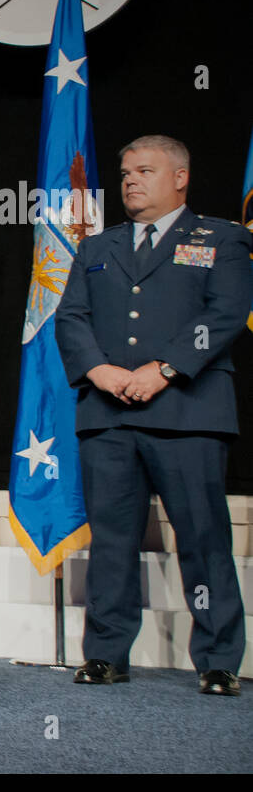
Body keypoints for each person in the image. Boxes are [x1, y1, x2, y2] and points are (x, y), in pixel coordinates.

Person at [55, 134, 251, 696]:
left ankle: (218, 659)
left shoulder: (221, 239)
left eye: (144, 170)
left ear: (180, 177)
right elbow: (71, 318)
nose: (130, 181)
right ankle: (107, 654)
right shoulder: (96, 248)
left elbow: (227, 312)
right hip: (108, 414)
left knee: (202, 536)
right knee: (113, 541)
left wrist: (162, 369)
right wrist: (100, 372)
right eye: (124, 174)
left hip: (189, 411)